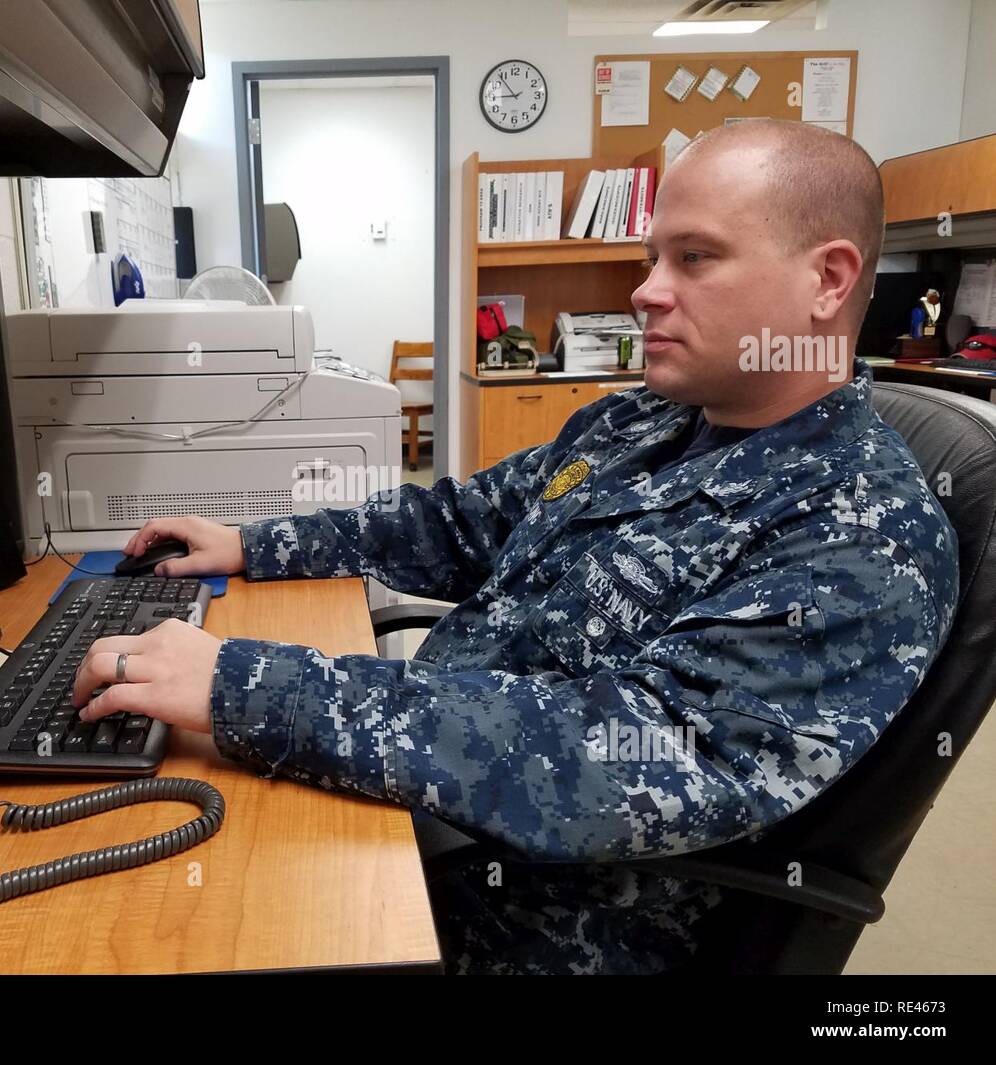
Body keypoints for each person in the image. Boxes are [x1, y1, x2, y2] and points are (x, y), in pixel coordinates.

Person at [71, 120, 959, 974]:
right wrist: (254, 545)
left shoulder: (860, 536)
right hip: (421, 802)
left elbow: (612, 755)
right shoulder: (639, 422)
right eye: (654, 256)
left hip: (516, 915)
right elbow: (457, 523)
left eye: (694, 257)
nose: (645, 288)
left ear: (829, 280)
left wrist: (248, 686)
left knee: (136, 927)